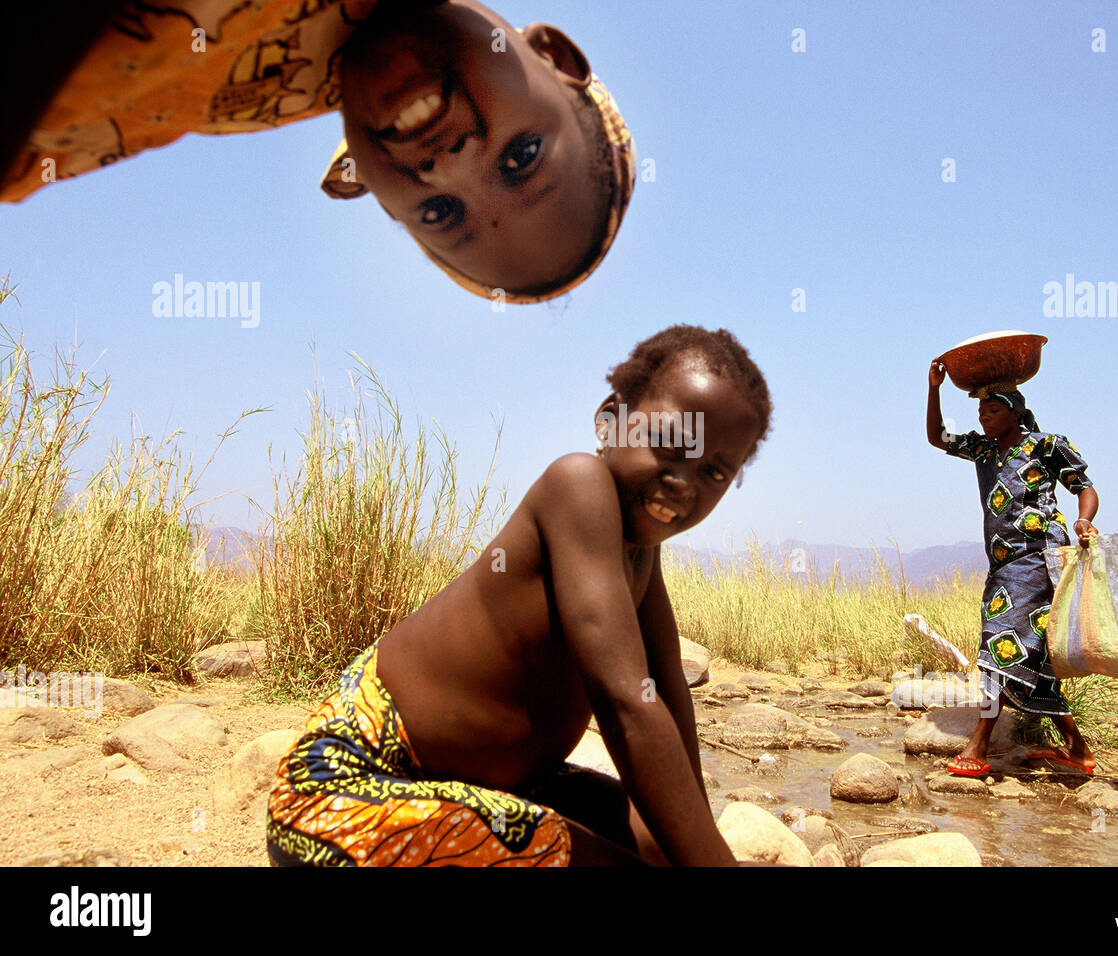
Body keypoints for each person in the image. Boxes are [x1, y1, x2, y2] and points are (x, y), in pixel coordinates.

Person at [267, 325, 773, 866]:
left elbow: (667, 691)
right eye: (671, 442)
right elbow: (627, 703)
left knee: (664, 844)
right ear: (612, 417)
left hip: (485, 790)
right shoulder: (577, 485)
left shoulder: (639, 555)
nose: (683, 482)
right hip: (340, 795)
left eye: (715, 472)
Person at [2, 0, 635, 303]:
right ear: (554, 58)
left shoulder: (223, 99)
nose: (448, 164)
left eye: (439, 213)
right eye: (521, 157)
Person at [926, 360, 1100, 776]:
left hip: (1040, 556)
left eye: (993, 412)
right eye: (980, 414)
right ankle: (1078, 750)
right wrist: (933, 388)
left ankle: (978, 745)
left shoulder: (1046, 445)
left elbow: (1085, 487)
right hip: (1003, 564)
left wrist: (1084, 520)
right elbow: (937, 437)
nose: (984, 419)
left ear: (1015, 412)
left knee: (998, 643)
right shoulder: (983, 450)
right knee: (1034, 660)